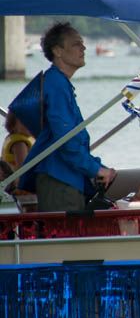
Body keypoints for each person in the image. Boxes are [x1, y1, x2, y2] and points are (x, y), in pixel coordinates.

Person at [17, 23, 116, 212]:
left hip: (66, 177)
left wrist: (98, 166)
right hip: (60, 179)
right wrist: (96, 169)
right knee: (67, 230)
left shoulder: (59, 83)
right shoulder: (56, 84)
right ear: (58, 51)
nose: (84, 48)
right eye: (76, 44)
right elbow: (66, 140)